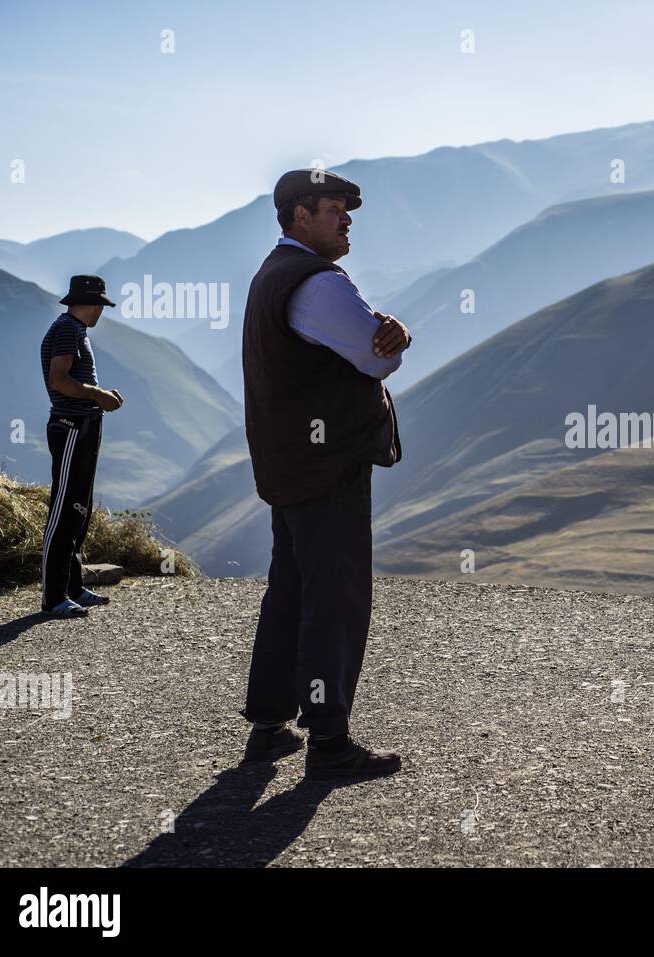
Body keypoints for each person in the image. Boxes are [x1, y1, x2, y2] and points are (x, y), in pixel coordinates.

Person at [239, 168, 412, 779]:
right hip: (327, 465)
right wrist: (399, 334)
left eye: (347, 210)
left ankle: (267, 726)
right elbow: (374, 356)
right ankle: (329, 741)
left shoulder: (273, 275)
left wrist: (379, 333)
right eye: (334, 208)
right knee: (334, 596)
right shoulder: (317, 282)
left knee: (291, 588)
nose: (346, 219)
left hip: (288, 462)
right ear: (299, 214)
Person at [39, 275, 124, 618]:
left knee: (78, 508)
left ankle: (72, 587)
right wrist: (97, 395)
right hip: (71, 425)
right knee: (64, 508)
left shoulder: (73, 330)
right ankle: (53, 595)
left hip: (84, 424)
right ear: (91, 304)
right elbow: (58, 379)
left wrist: (98, 398)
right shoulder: (67, 330)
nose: (101, 313)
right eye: (101, 306)